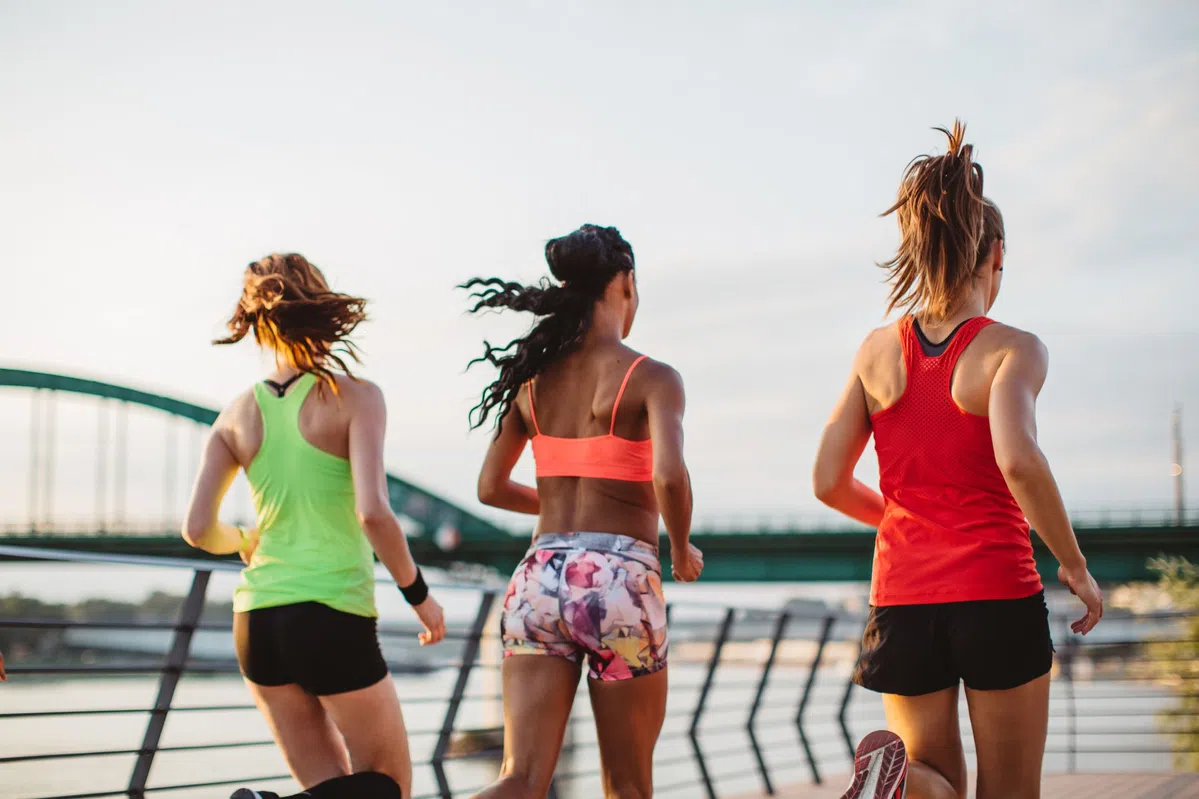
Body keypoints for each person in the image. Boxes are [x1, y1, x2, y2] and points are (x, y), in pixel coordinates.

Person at [813, 122, 1103, 799]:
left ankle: (901, 781)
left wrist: (900, 516)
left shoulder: (874, 352)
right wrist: (1074, 565)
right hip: (996, 589)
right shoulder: (1012, 348)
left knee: (938, 777)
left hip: (903, 598)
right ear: (994, 254)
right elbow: (1019, 459)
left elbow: (826, 479)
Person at [181, 253, 445, 799]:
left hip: (255, 621)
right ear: (320, 308)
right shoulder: (356, 397)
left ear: (255, 322)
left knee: (330, 788)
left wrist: (245, 541)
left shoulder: (233, 415)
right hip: (329, 615)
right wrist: (420, 596)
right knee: (388, 784)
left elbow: (197, 529)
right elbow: (372, 511)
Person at [460, 224, 703, 799]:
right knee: (626, 785)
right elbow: (669, 475)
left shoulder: (532, 380)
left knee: (520, 778)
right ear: (626, 283)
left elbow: (491, 487)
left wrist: (569, 505)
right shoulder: (653, 377)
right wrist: (682, 546)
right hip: (618, 583)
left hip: (537, 579)